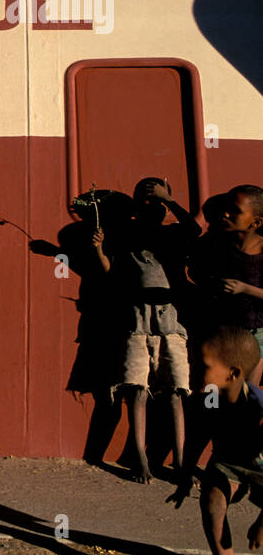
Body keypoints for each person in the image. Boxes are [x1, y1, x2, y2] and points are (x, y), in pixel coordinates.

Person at [95, 177, 200, 483]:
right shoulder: (126, 235)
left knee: (177, 391)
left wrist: (169, 200)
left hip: (170, 320)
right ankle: (139, 456)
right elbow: (110, 274)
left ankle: (181, 460)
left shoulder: (175, 234)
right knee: (136, 389)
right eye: (144, 199)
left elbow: (195, 230)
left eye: (157, 201)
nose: (151, 206)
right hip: (136, 319)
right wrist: (99, 251)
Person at [168, 325, 263, 555]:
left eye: (204, 366)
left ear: (232, 373)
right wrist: (186, 472)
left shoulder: (257, 408)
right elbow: (200, 434)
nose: (193, 370)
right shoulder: (208, 400)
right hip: (229, 463)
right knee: (212, 502)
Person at [189, 185, 263, 386]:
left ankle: (248, 417)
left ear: (255, 222)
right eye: (225, 208)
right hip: (221, 332)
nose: (226, 214)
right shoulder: (216, 245)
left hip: (255, 333)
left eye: (235, 211)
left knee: (248, 391)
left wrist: (244, 289)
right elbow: (195, 271)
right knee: (214, 390)